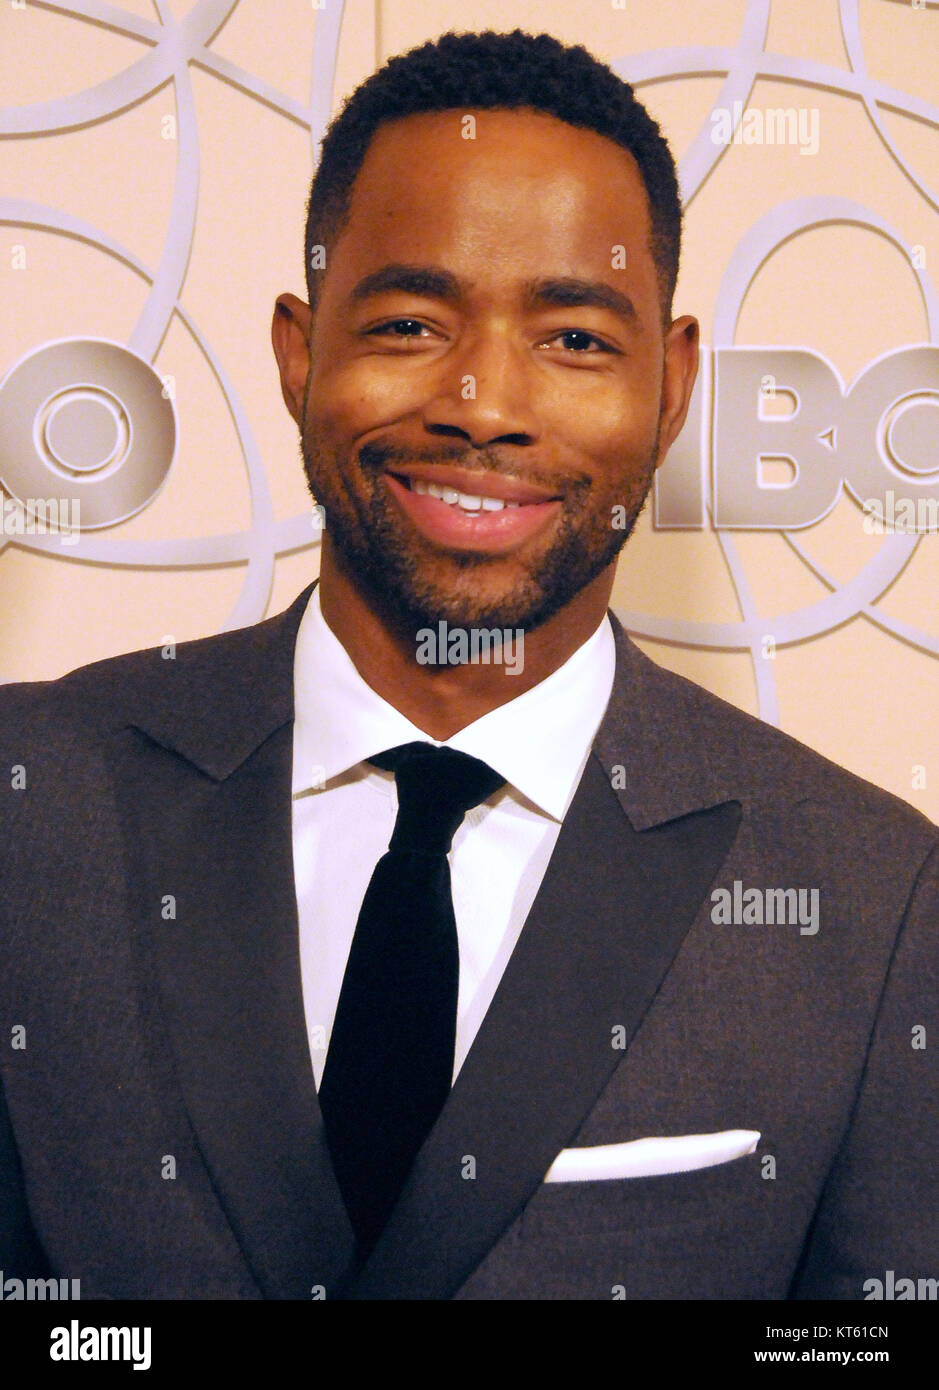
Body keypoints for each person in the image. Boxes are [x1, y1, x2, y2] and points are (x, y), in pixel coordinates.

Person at [1, 29, 936, 1302]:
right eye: (409, 320)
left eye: (575, 341)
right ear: (298, 352)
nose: (485, 399)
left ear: (671, 390)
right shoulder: (32, 797)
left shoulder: (872, 898)